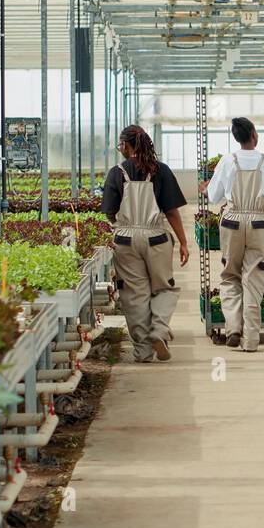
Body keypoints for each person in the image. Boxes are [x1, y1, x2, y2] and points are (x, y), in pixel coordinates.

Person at [101, 124, 189, 362]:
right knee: (164, 287)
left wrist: (123, 222)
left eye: (121, 144)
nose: (120, 148)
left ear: (128, 146)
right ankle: (159, 329)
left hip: (125, 240)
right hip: (156, 238)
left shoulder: (116, 172)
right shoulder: (161, 170)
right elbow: (171, 211)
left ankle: (142, 351)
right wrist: (182, 242)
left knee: (133, 294)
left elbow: (109, 211)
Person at [200, 117, 264, 352]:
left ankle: (233, 327)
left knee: (230, 276)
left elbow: (214, 197)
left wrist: (206, 189)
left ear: (236, 137)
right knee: (253, 278)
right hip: (258, 222)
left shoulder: (228, 161)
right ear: (254, 135)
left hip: (232, 222)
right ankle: (251, 340)